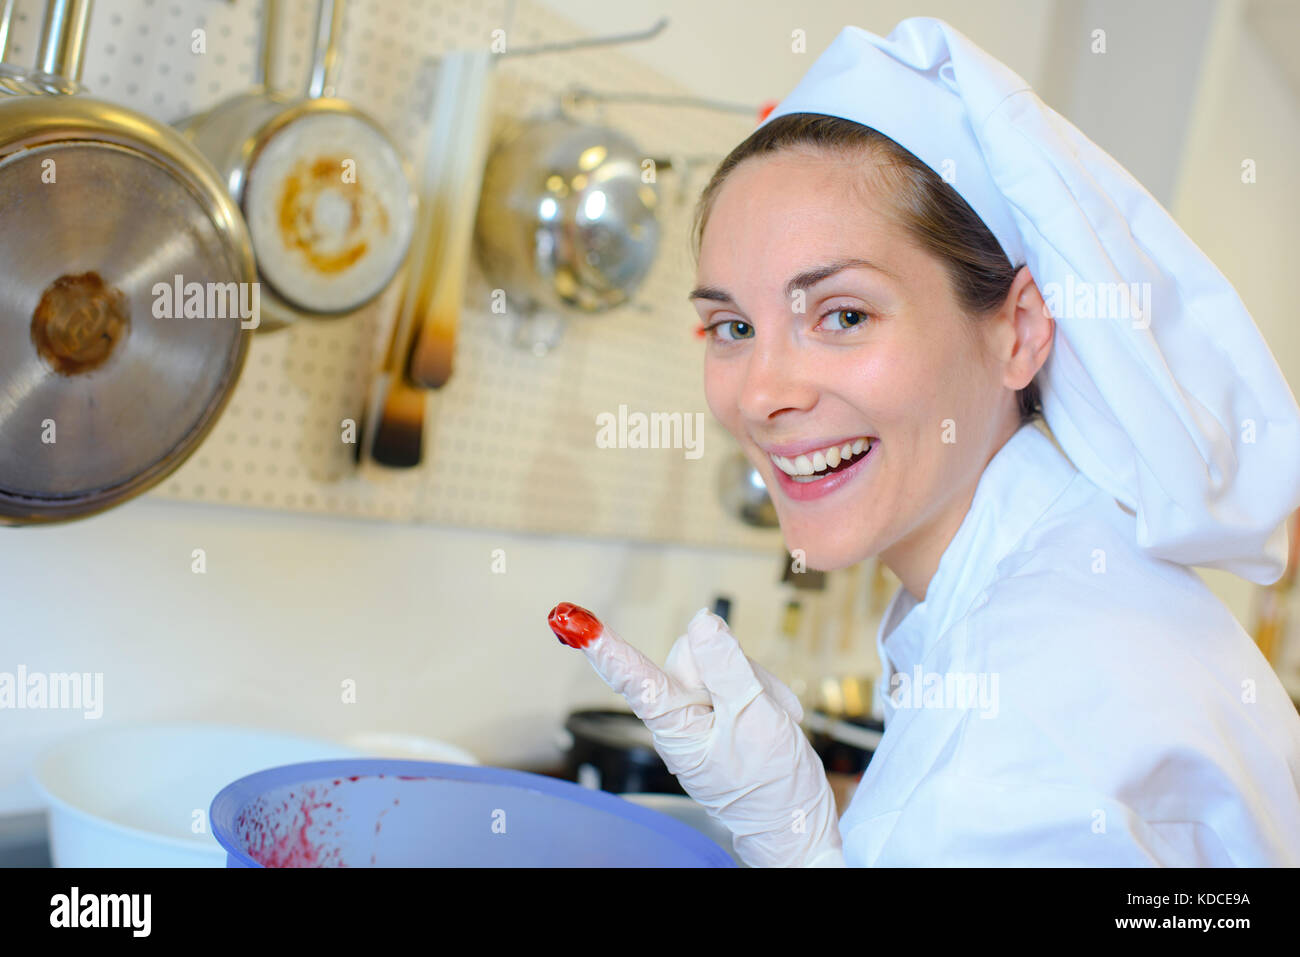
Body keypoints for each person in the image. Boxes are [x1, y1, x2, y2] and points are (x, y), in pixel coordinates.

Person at [557, 17, 1300, 866]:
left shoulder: (1003, 756)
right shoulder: (1074, 575)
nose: (762, 394)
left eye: (843, 315)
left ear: (1017, 330)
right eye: (731, 325)